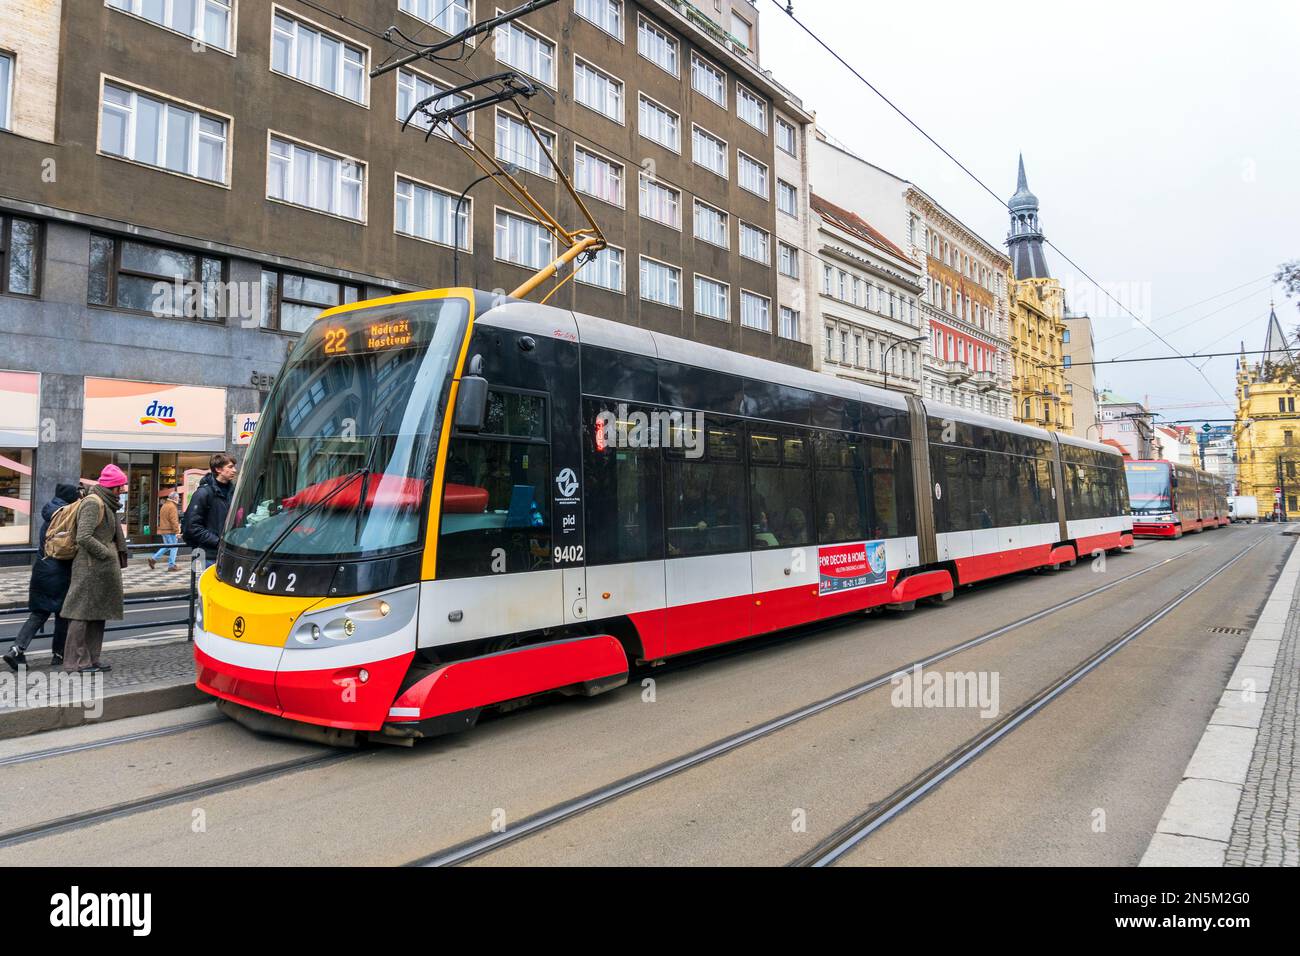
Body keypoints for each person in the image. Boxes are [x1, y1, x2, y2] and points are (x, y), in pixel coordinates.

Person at [3, 482, 82, 671]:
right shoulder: (66, 515)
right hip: (60, 571)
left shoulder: (50, 512)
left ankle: (16, 649)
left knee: (39, 613)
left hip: (41, 569)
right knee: (63, 614)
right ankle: (58, 654)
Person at [62, 465, 129, 673]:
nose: (125, 489)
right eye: (122, 485)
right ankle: (76, 663)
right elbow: (83, 536)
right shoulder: (94, 503)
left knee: (97, 614)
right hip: (89, 568)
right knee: (81, 614)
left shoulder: (107, 503)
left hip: (100, 569)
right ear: (114, 487)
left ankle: (92, 659)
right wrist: (106, 553)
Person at [183, 453, 237, 555]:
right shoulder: (203, 493)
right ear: (218, 469)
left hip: (229, 554)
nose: (234, 470)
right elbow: (192, 526)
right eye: (230, 467)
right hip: (208, 555)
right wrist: (218, 542)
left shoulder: (234, 492)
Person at [149, 491, 181, 571]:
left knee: (167, 546)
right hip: (170, 531)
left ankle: (153, 559)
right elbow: (173, 521)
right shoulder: (172, 507)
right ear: (174, 498)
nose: (178, 500)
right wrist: (177, 532)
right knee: (174, 547)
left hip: (163, 530)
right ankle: (171, 565)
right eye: (177, 498)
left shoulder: (164, 505)